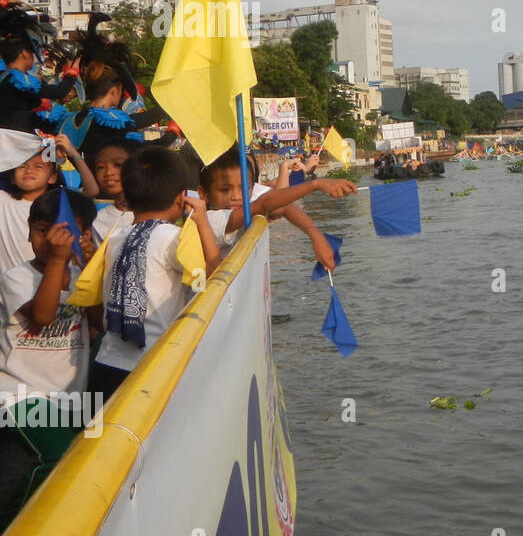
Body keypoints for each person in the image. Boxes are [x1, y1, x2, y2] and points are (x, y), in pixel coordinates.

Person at [89, 148, 223, 400]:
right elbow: (216, 276)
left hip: (106, 363)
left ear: (127, 195)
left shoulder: (115, 237)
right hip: (150, 366)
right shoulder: (173, 239)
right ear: (180, 198)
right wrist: (202, 221)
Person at [0, 190, 98, 528]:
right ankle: (12, 534)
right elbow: (42, 315)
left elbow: (99, 324)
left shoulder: (83, 276)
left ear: (83, 234)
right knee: (58, 458)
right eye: (41, 230)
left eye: (61, 231)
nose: (49, 240)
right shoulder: (17, 276)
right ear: (28, 232)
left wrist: (92, 268)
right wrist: (58, 261)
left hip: (65, 398)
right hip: (18, 395)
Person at [198, 145, 356, 266]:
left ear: (252, 187)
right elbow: (265, 203)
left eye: (244, 188)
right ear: (203, 194)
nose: (236, 197)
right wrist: (315, 185)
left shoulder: (249, 199)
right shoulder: (209, 220)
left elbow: (283, 206)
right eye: (225, 190)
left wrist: (315, 235)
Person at [0, 135, 98, 273]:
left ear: (52, 177)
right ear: (12, 179)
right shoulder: (4, 202)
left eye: (38, 166)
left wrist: (72, 153)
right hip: (15, 284)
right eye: (22, 166)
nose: (29, 170)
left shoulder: (62, 203)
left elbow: (92, 190)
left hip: (56, 280)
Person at [0, 36, 76, 134]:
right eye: (32, 53)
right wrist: (72, 72)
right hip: (17, 139)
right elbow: (59, 92)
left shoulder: (4, 76)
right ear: (23, 53)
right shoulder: (19, 79)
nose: (34, 57)